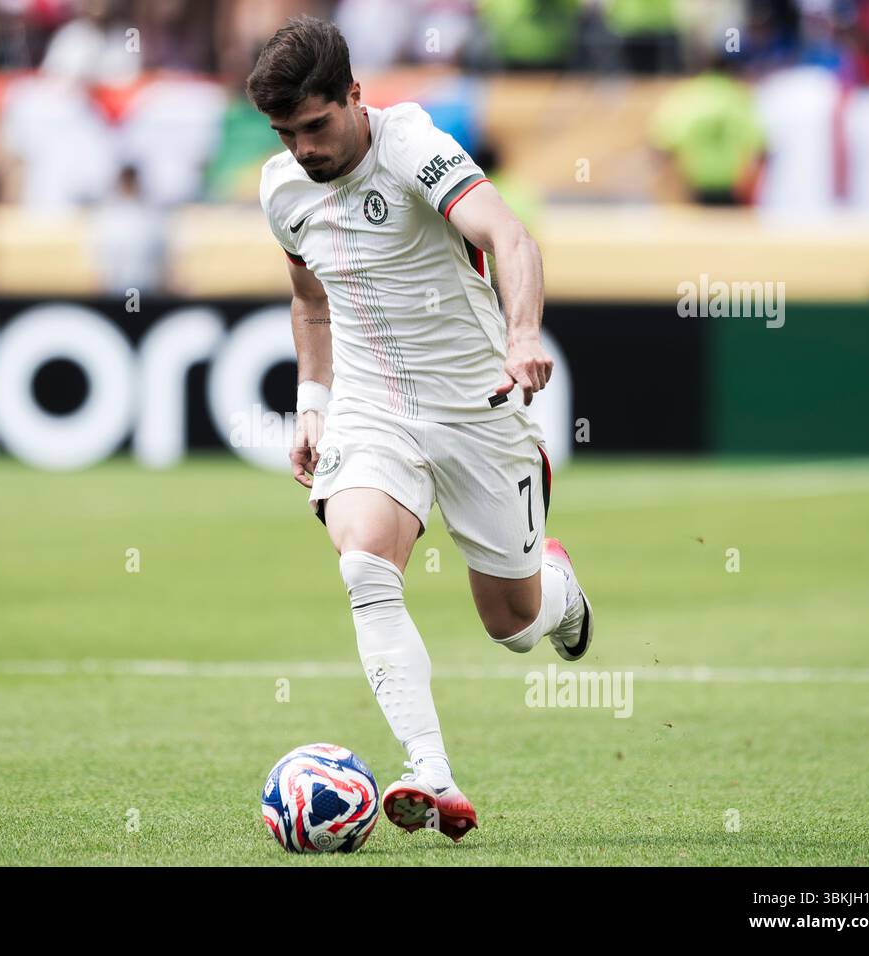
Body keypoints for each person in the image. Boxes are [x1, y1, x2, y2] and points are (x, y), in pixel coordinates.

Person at [248, 16, 594, 843]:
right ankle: (431, 771)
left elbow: (508, 235)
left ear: (354, 96)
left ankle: (560, 593)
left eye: (316, 125)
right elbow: (309, 301)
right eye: (286, 134)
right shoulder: (282, 190)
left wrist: (522, 335)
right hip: (371, 410)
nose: (304, 148)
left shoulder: (411, 147)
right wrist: (313, 402)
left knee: (513, 626)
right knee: (365, 564)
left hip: (477, 409)